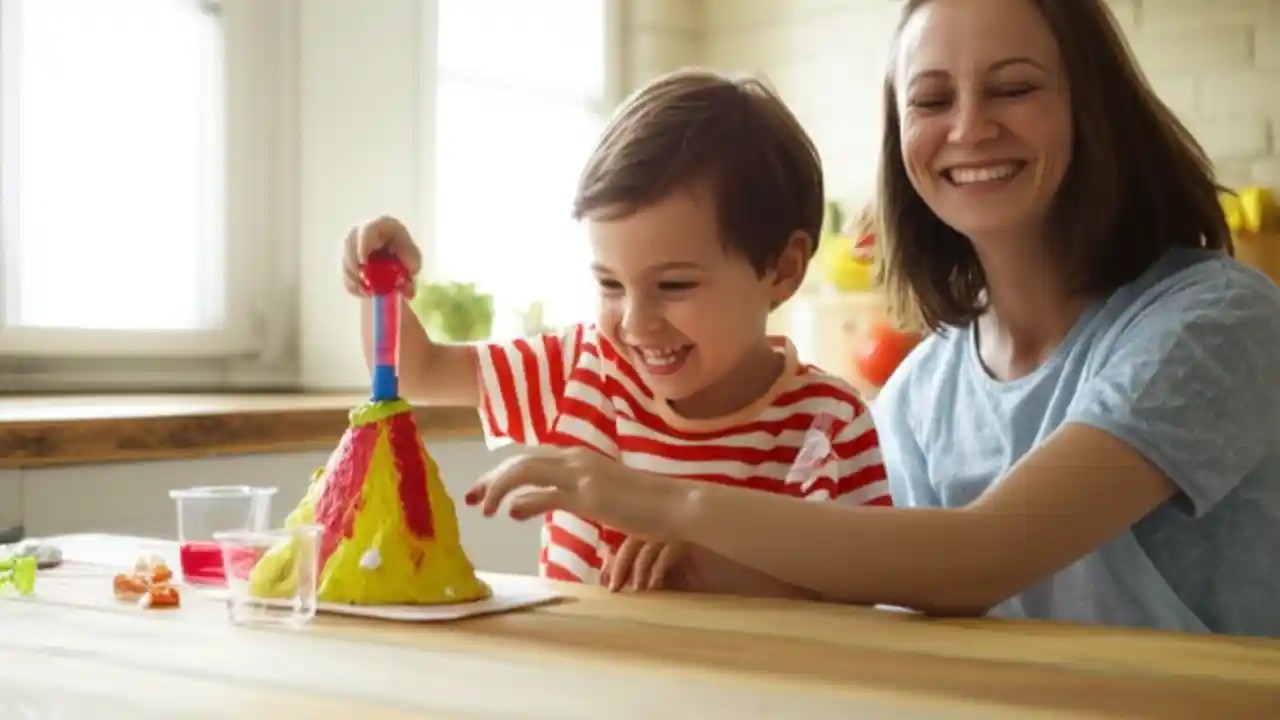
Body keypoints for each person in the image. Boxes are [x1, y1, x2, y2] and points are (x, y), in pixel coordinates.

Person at [466, 0, 1280, 637]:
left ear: (1092, 107)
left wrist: (651, 498)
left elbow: (980, 559)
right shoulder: (924, 389)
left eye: (1015, 87)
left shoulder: (1218, 323)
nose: (967, 127)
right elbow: (903, 598)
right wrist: (714, 572)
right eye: (931, 98)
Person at [343, 69, 891, 595]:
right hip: (582, 680)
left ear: (783, 268)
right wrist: (382, 284)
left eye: (674, 285)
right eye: (609, 284)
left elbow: (865, 590)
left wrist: (721, 574)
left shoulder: (830, 424)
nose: (634, 322)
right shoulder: (585, 367)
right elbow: (418, 371)